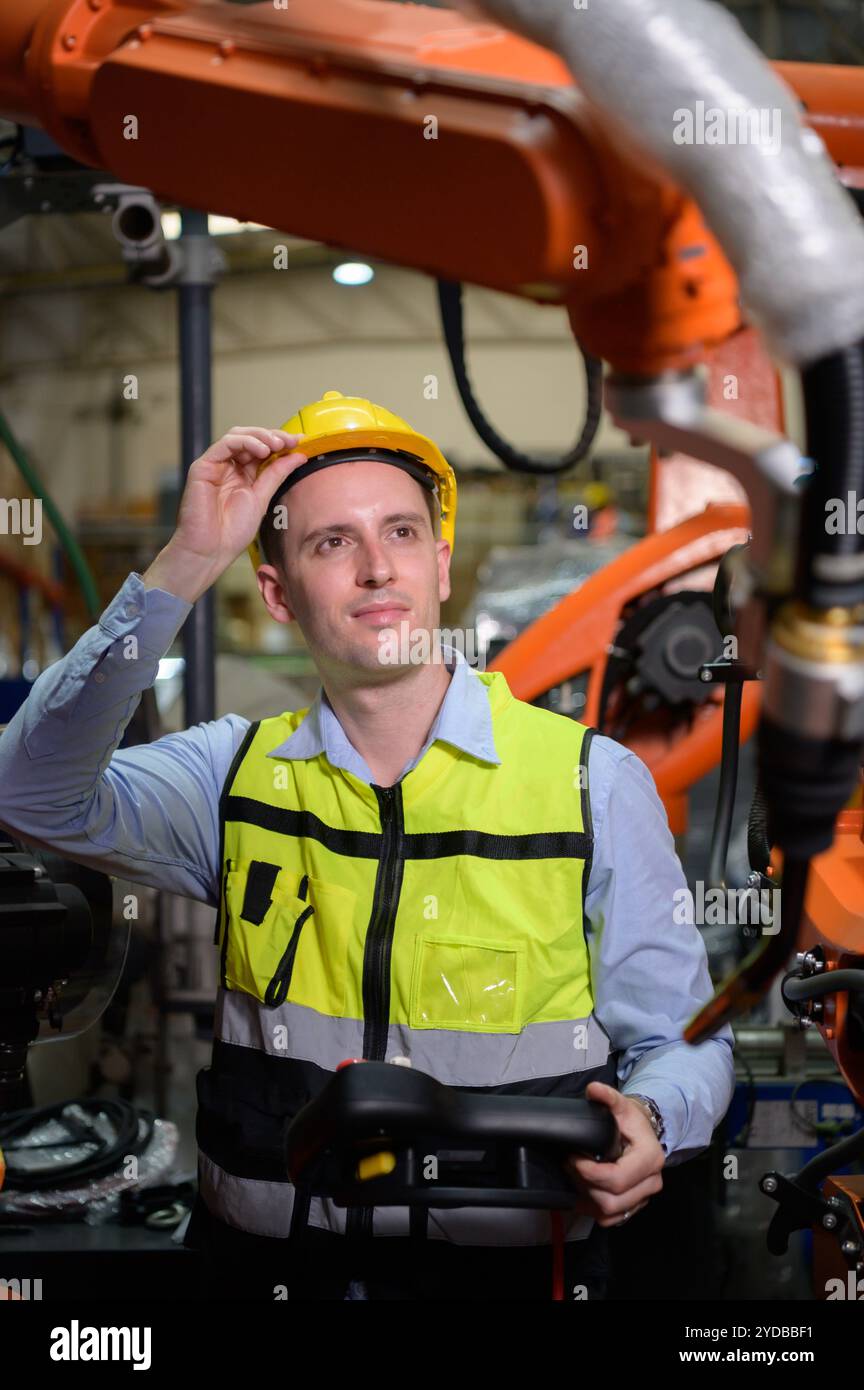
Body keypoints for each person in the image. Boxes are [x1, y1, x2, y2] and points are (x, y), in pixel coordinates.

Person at [0, 390, 735, 1301]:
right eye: (331, 543)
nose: (377, 568)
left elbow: (686, 1039)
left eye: (400, 532)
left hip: (511, 1284)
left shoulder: (591, 781)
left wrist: (657, 1117)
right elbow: (26, 790)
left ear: (440, 562)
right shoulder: (230, 776)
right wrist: (186, 564)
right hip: (268, 1279)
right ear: (277, 593)